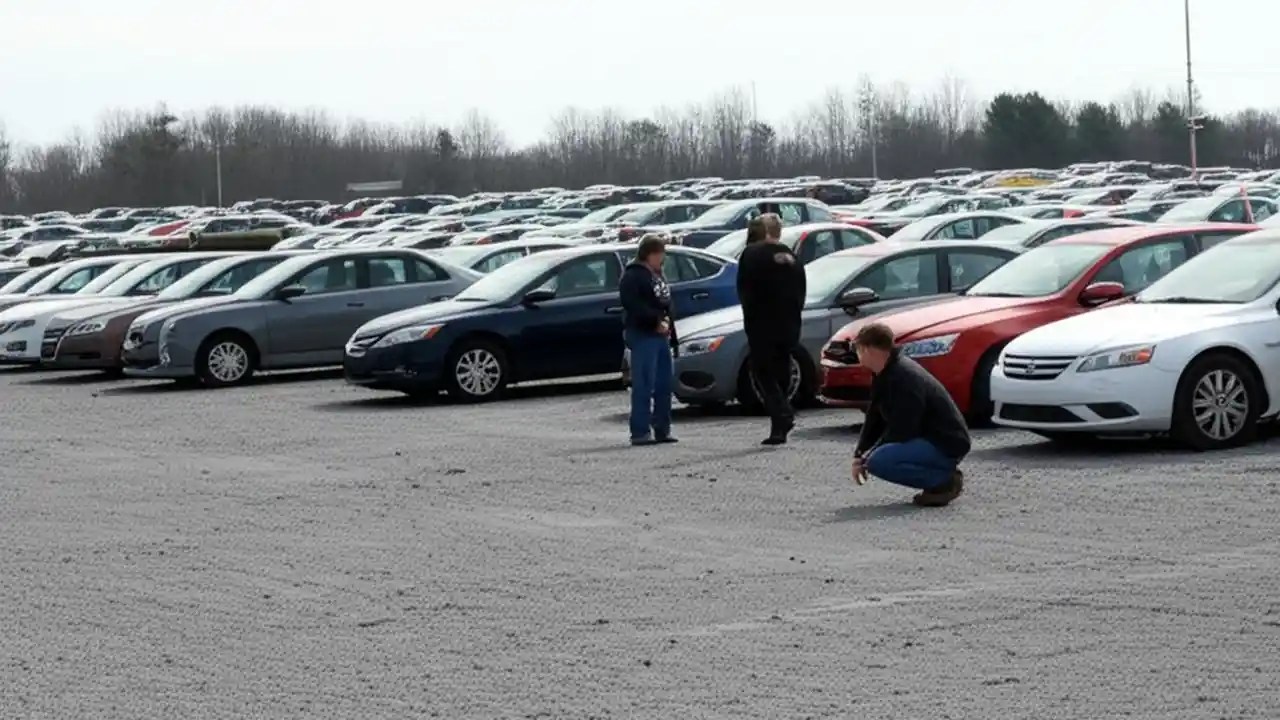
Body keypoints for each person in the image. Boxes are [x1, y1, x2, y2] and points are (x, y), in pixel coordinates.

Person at [849, 322, 970, 507]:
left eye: (857, 349)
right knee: (875, 458)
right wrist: (859, 453)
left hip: (945, 443)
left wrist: (867, 458)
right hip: (926, 439)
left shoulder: (903, 378)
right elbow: (874, 416)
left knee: (878, 462)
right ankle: (939, 477)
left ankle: (943, 480)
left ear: (868, 350)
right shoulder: (884, 372)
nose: (857, 354)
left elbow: (903, 429)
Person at [737, 213, 806, 445]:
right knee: (782, 371)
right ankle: (779, 424)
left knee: (763, 373)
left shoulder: (751, 254)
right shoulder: (791, 255)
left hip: (762, 325)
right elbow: (801, 291)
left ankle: (782, 415)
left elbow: (745, 291)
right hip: (790, 324)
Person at [619, 234, 678, 446]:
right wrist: (654, 320)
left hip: (662, 335)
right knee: (644, 383)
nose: (662, 260)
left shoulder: (657, 274)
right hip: (644, 334)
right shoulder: (633, 276)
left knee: (664, 383)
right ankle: (640, 431)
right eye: (660, 255)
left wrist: (668, 321)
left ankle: (662, 428)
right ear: (651, 254)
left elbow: (665, 300)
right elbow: (632, 305)